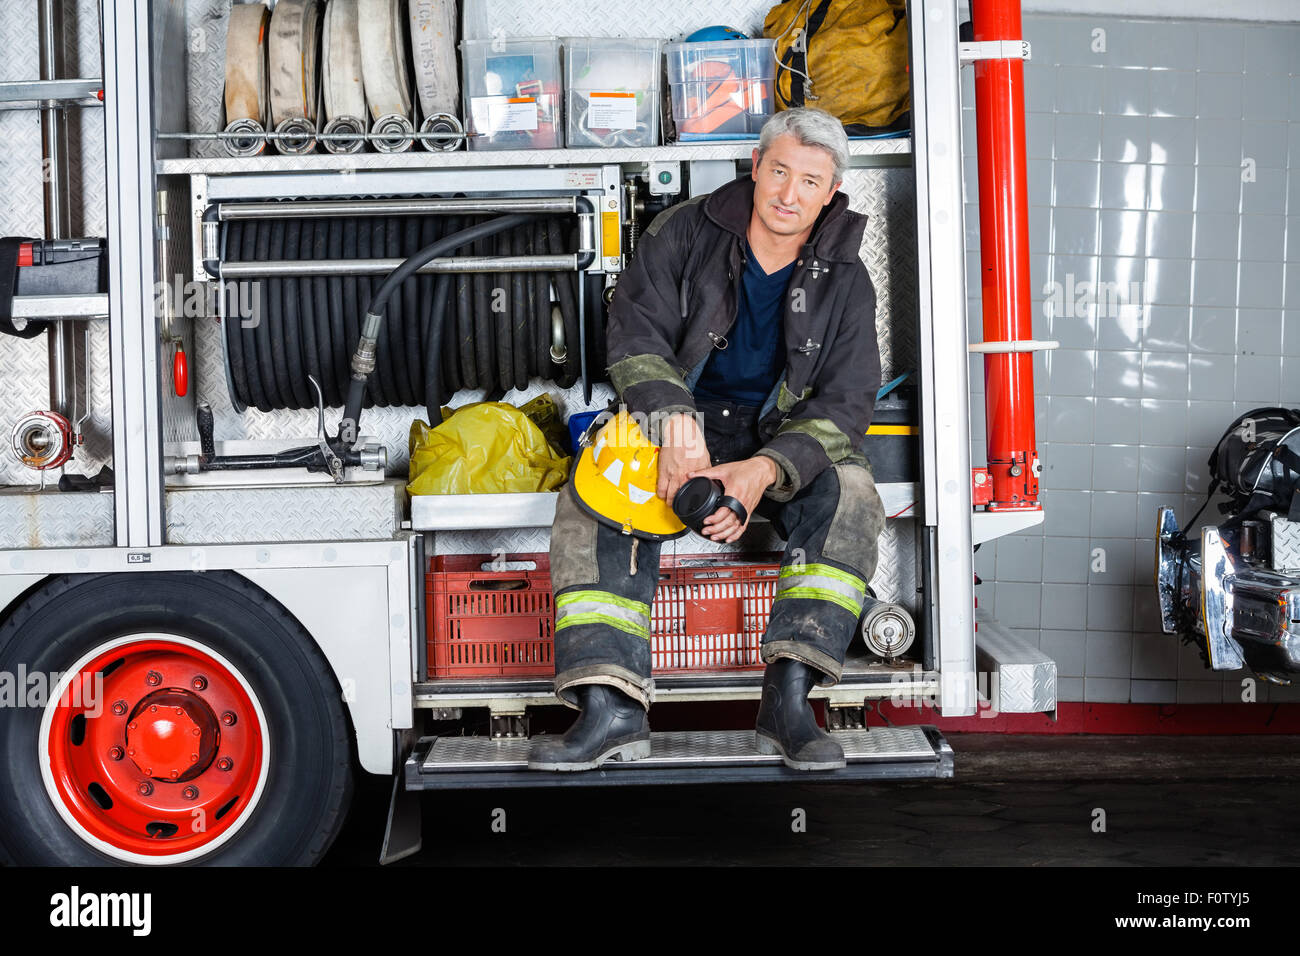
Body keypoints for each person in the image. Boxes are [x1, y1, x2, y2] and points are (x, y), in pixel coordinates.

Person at [529, 106, 886, 772]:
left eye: (810, 181)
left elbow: (846, 403)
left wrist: (762, 472)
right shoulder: (685, 233)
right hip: (681, 419)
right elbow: (634, 337)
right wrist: (671, 421)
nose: (789, 194)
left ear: (832, 192)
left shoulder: (848, 281)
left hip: (779, 439)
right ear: (755, 167)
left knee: (852, 497)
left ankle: (789, 698)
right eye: (779, 171)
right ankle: (609, 707)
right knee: (592, 501)